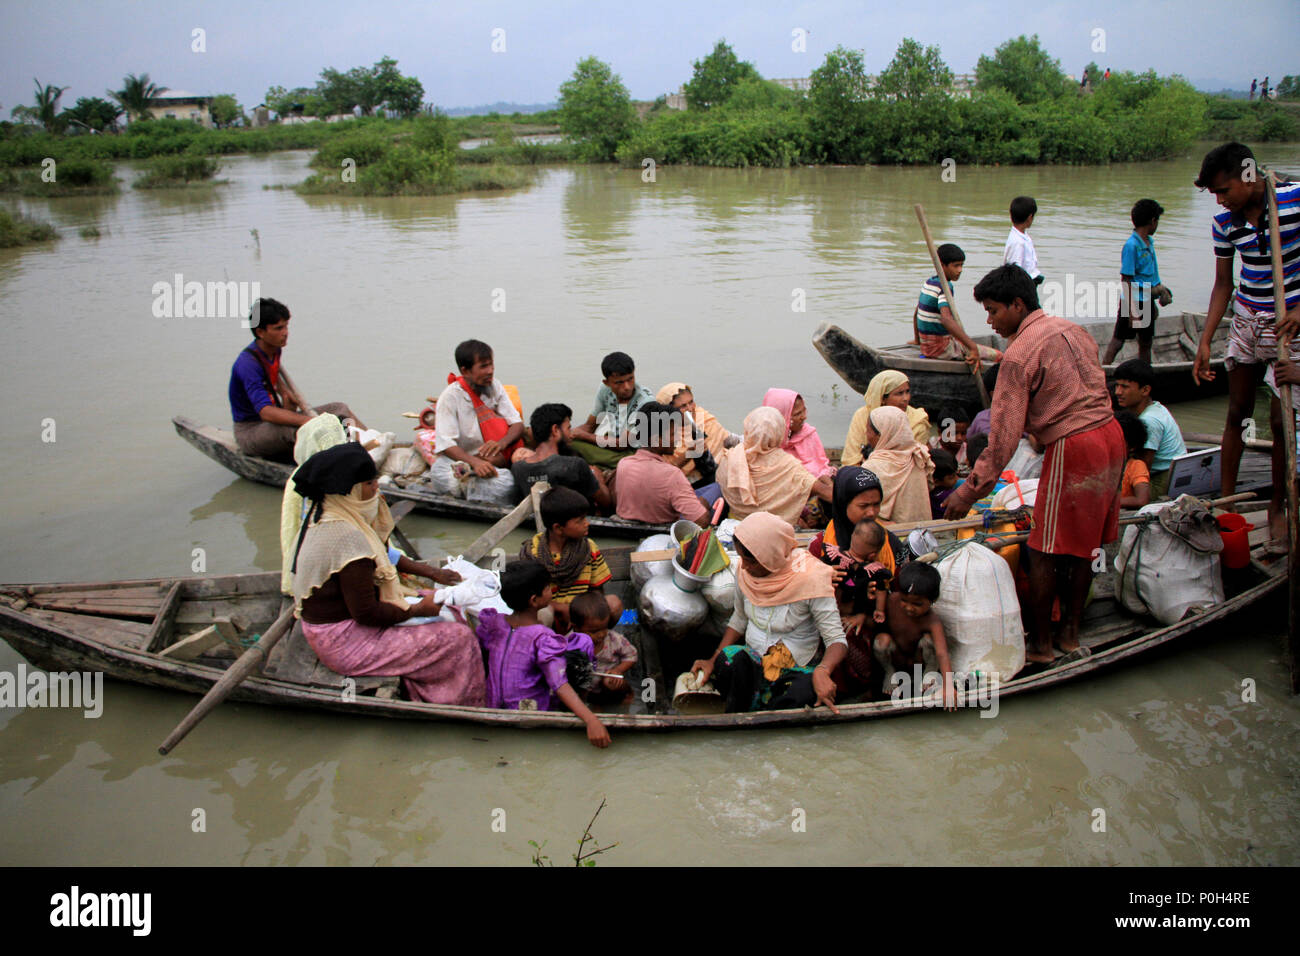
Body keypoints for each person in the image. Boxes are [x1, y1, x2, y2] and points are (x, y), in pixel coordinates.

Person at [944, 265, 1124, 665]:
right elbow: (1083, 390)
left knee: (1043, 549)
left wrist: (967, 491)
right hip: (1111, 436)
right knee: (1083, 547)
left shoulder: (1018, 355)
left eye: (993, 311)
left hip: (1076, 448)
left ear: (1018, 304)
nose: (989, 320)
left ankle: (1042, 644)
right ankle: (1071, 635)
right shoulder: (1072, 329)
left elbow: (1002, 441)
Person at [289, 443, 484, 705]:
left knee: (450, 606)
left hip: (339, 624)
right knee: (457, 639)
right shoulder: (347, 539)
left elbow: (381, 553)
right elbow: (366, 613)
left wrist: (429, 575)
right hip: (343, 641)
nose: (376, 488)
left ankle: (426, 682)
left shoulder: (328, 514)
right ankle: (457, 704)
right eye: (370, 484)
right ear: (352, 490)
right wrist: (417, 611)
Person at [1191, 142, 1300, 552]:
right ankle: (1226, 500)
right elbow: (1224, 283)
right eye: (1215, 194)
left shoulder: (1293, 201)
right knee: (1236, 412)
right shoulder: (1225, 223)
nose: (1221, 200)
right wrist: (1205, 339)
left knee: (1280, 419)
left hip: (1288, 323)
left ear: (1248, 175)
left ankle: (1277, 505)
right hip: (1246, 320)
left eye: (1225, 190)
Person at [689, 512, 848, 714]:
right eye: (742, 557)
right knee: (728, 662)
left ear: (770, 555)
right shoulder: (744, 572)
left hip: (796, 668)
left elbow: (837, 640)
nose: (744, 566)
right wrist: (713, 659)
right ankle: (740, 715)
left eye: (751, 561)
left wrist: (823, 671)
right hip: (754, 662)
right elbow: (739, 619)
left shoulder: (811, 577)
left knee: (802, 692)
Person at [475, 562, 611, 748]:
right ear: (534, 600)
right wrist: (591, 720)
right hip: (530, 711)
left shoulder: (494, 623)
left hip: (492, 706)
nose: (551, 589)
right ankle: (583, 702)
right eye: (547, 587)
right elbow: (559, 683)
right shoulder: (542, 638)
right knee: (584, 642)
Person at [228, 297, 363, 462]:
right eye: (278, 328)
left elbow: (277, 383)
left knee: (339, 408)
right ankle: (342, 462)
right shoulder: (247, 364)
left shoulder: (274, 349)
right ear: (260, 332)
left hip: (269, 426)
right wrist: (309, 421)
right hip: (250, 432)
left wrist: (287, 397)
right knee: (300, 429)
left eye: (286, 326)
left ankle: (368, 443)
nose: (285, 333)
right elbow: (266, 412)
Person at [428, 339, 524, 505]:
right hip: (467, 456)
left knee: (500, 468)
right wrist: (475, 462)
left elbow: (517, 423)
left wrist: (501, 443)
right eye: (484, 367)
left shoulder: (495, 386)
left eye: (491, 365)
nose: (490, 371)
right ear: (465, 371)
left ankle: (469, 478)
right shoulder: (450, 397)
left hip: (495, 453)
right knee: (439, 471)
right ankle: (470, 475)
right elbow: (446, 444)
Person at [518, 486, 622, 632]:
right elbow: (530, 600)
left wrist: (579, 610)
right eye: (580, 521)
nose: (587, 523)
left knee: (613, 604)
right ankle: (544, 648)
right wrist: (559, 608)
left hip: (582, 614)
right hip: (550, 615)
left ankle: (591, 640)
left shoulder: (588, 548)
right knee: (542, 614)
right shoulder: (533, 553)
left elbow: (597, 592)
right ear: (559, 528)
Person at [717, 406, 832, 528]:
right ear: (779, 433)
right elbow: (828, 494)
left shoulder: (730, 458)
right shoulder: (787, 465)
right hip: (776, 531)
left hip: (738, 526)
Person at [279, 412, 349, 594]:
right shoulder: (341, 475)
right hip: (332, 562)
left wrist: (290, 576)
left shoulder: (296, 478)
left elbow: (289, 531)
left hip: (310, 560)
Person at [871, 562, 956, 711]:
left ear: (932, 601)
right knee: (881, 641)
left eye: (917, 604)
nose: (909, 607)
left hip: (918, 660)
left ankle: (929, 674)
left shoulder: (932, 620)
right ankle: (889, 672)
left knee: (930, 641)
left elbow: (942, 653)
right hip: (896, 657)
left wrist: (948, 686)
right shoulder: (891, 601)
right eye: (904, 601)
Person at [614, 402, 714, 525]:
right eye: (673, 434)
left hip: (632, 524)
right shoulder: (672, 475)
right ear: (656, 439)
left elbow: (655, 478)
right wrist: (702, 505)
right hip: (664, 530)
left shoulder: (624, 464)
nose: (677, 438)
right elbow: (701, 521)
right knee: (718, 488)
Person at [1102, 199, 1172, 366]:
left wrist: (1155, 301)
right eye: (1157, 221)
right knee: (1118, 341)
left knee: (1146, 342)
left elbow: (1151, 277)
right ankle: (1103, 372)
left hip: (1147, 300)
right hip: (1132, 302)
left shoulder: (1149, 243)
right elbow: (1126, 280)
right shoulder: (1132, 246)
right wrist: (1133, 312)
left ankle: (1145, 376)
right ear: (1153, 221)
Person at [809, 466, 911, 575]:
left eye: (876, 504)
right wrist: (823, 579)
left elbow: (902, 588)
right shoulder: (819, 545)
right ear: (843, 504)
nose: (871, 512)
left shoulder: (891, 543)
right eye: (863, 506)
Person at [914, 243, 1003, 368]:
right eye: (956, 266)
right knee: (999, 356)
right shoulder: (945, 286)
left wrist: (918, 341)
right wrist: (972, 348)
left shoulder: (929, 283)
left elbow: (916, 312)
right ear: (942, 266)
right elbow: (946, 319)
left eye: (961, 265)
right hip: (942, 349)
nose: (960, 270)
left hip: (927, 348)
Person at [511, 403, 612, 510]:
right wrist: (598, 479)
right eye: (568, 428)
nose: (570, 435)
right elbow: (606, 502)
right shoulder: (575, 465)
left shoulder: (518, 468)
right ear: (555, 430)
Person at [1112, 359, 1187, 497]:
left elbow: (1143, 468)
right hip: (1171, 473)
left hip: (1162, 480)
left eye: (1125, 387)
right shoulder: (1156, 407)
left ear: (1145, 390)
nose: (1118, 392)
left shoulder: (1149, 420)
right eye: (1117, 386)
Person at [571, 351, 656, 469]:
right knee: (567, 442)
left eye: (630, 379)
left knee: (576, 446)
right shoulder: (604, 390)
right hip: (613, 441)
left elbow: (623, 444)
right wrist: (567, 434)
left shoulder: (645, 401)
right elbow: (590, 426)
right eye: (619, 382)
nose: (627, 387)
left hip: (634, 451)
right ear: (606, 383)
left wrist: (582, 436)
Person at [841, 370, 932, 466]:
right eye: (899, 393)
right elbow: (851, 458)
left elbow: (913, 461)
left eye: (907, 392)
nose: (906, 398)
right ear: (883, 398)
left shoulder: (918, 419)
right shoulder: (863, 415)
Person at [863, 406, 935, 524]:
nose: (866, 434)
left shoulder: (872, 467)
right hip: (922, 534)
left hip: (891, 535)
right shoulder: (919, 455)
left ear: (882, 435)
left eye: (869, 430)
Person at [569, 590, 637, 703]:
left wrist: (617, 670)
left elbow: (632, 656)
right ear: (576, 628)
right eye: (594, 631)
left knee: (614, 684)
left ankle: (625, 697)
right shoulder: (569, 643)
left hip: (609, 684)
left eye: (604, 628)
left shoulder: (614, 640)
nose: (601, 634)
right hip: (585, 686)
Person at [656, 382, 741, 465]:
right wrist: (689, 454)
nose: (690, 409)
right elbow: (666, 470)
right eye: (683, 406)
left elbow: (727, 440)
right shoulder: (662, 433)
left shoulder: (705, 418)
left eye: (691, 402)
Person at [762, 387, 834, 478]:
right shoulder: (764, 443)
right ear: (782, 417)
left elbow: (822, 466)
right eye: (797, 414)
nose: (804, 417)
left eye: (804, 410)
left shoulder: (809, 434)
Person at [1003, 196, 1043, 286]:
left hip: (1029, 282)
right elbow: (1015, 273)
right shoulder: (1018, 243)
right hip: (1023, 287)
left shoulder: (1022, 236)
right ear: (1030, 217)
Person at [1116, 410, 1152, 509]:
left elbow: (1142, 500)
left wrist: (1106, 503)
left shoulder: (1136, 466)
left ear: (1132, 447)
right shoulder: (1102, 463)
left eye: (1117, 439)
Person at [929, 447, 959, 518]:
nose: (956, 478)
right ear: (936, 481)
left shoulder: (927, 494)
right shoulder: (948, 496)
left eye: (956, 474)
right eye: (951, 477)